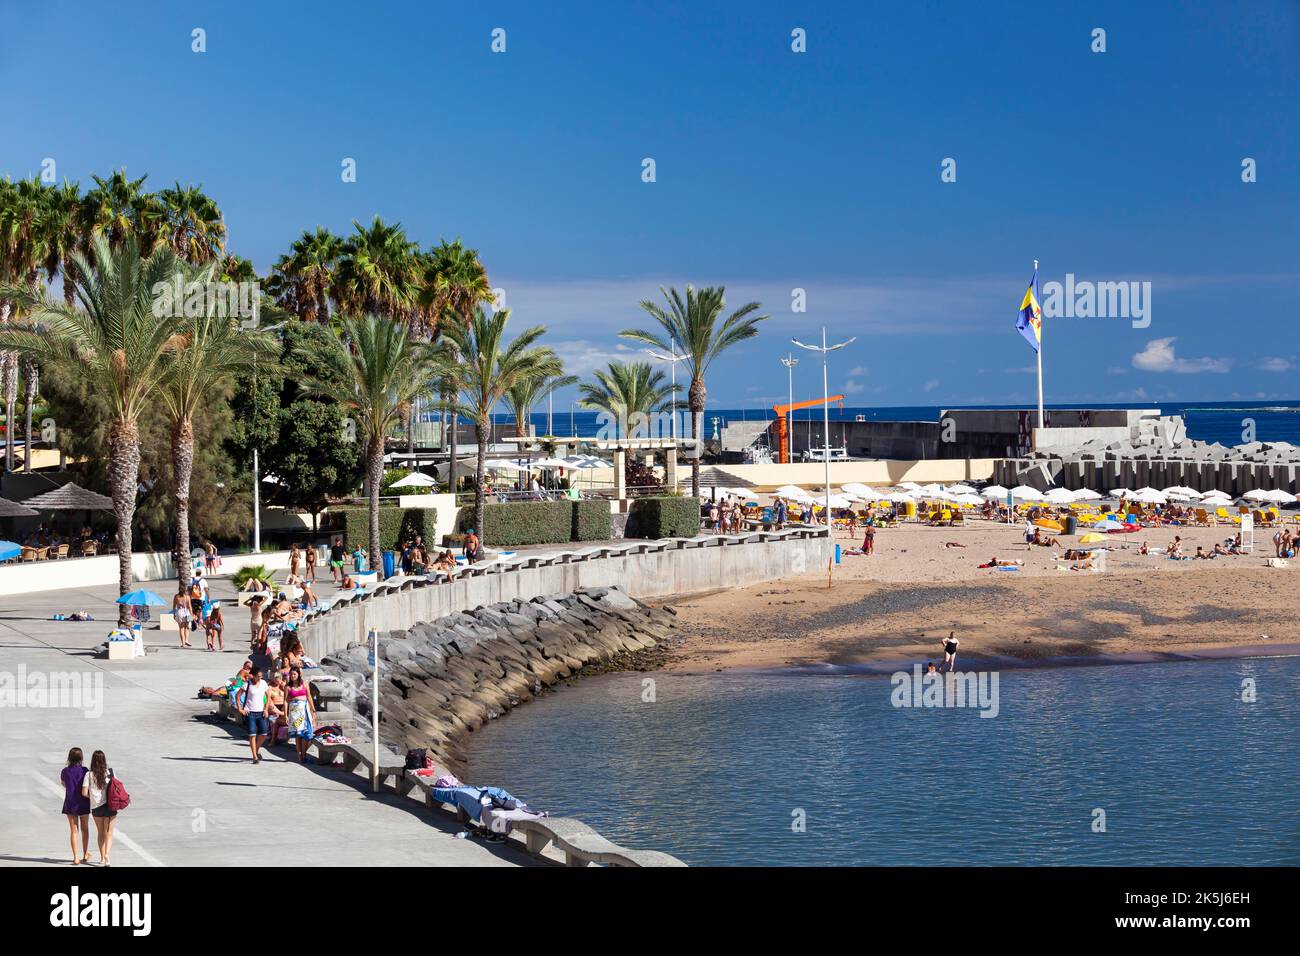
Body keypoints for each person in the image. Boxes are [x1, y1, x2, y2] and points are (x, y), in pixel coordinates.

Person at [81, 750, 117, 866]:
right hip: (110, 806)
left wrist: (92, 797)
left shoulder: (89, 775)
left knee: (100, 832)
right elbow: (116, 788)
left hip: (96, 807)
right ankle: (107, 855)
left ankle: (102, 857)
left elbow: (84, 792)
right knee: (109, 833)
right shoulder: (110, 772)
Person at [61, 747, 91, 865]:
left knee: (74, 830)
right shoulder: (85, 770)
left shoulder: (65, 771)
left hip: (70, 803)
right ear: (81, 757)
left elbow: (63, 783)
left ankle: (75, 857)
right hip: (83, 802)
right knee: (85, 829)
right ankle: (85, 853)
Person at [237, 667, 270, 764]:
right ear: (253, 675)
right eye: (258, 676)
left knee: (264, 733)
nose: (259, 678)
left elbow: (268, 696)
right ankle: (255, 756)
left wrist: (266, 709)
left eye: (261, 676)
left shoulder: (263, 683)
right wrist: (240, 709)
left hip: (261, 712)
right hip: (249, 712)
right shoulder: (247, 684)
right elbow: (238, 696)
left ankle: (256, 748)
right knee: (252, 734)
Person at [285, 666, 317, 763]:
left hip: (305, 709)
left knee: (308, 734)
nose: (292, 676)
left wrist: (313, 710)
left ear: (298, 674)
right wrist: (285, 715)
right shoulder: (288, 687)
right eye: (291, 674)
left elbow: (309, 697)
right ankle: (300, 755)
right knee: (298, 734)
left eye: (294, 674)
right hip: (295, 711)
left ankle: (303, 754)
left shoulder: (305, 684)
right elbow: (285, 701)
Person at [266, 672, 288, 746]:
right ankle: (273, 739)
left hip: (283, 707)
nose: (278, 682)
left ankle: (277, 738)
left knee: (283, 717)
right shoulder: (270, 687)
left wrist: (284, 686)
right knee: (274, 719)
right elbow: (269, 700)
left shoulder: (283, 686)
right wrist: (278, 712)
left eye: (279, 680)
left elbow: (288, 696)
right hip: (273, 707)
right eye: (276, 680)